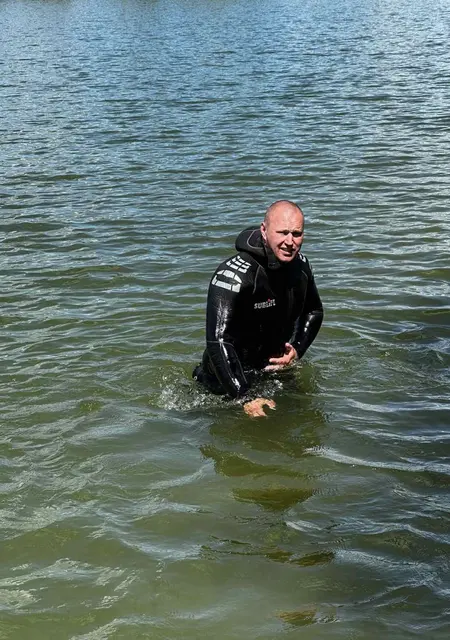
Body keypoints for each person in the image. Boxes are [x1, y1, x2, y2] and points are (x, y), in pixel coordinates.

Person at [193, 200, 323, 418]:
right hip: (226, 378)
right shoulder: (233, 274)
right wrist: (244, 395)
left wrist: (297, 350)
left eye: (296, 234)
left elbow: (314, 311)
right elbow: (218, 341)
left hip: (273, 369)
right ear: (264, 230)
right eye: (282, 233)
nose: (289, 242)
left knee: (306, 422)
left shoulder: (301, 266)